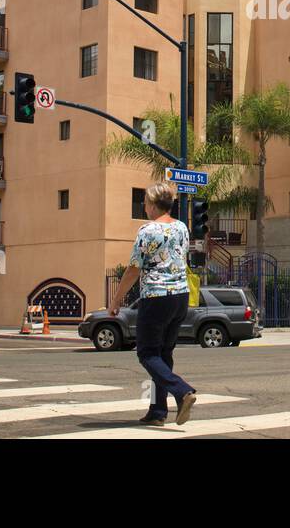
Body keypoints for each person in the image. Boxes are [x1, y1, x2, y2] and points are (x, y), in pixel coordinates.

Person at [109, 182, 197, 426]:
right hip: (180, 297)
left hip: (156, 297)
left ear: (154, 205)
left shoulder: (147, 231)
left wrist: (116, 300)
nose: (144, 206)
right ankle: (158, 412)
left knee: (147, 353)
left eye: (146, 202)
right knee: (164, 354)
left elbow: (133, 269)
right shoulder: (182, 228)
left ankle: (182, 391)